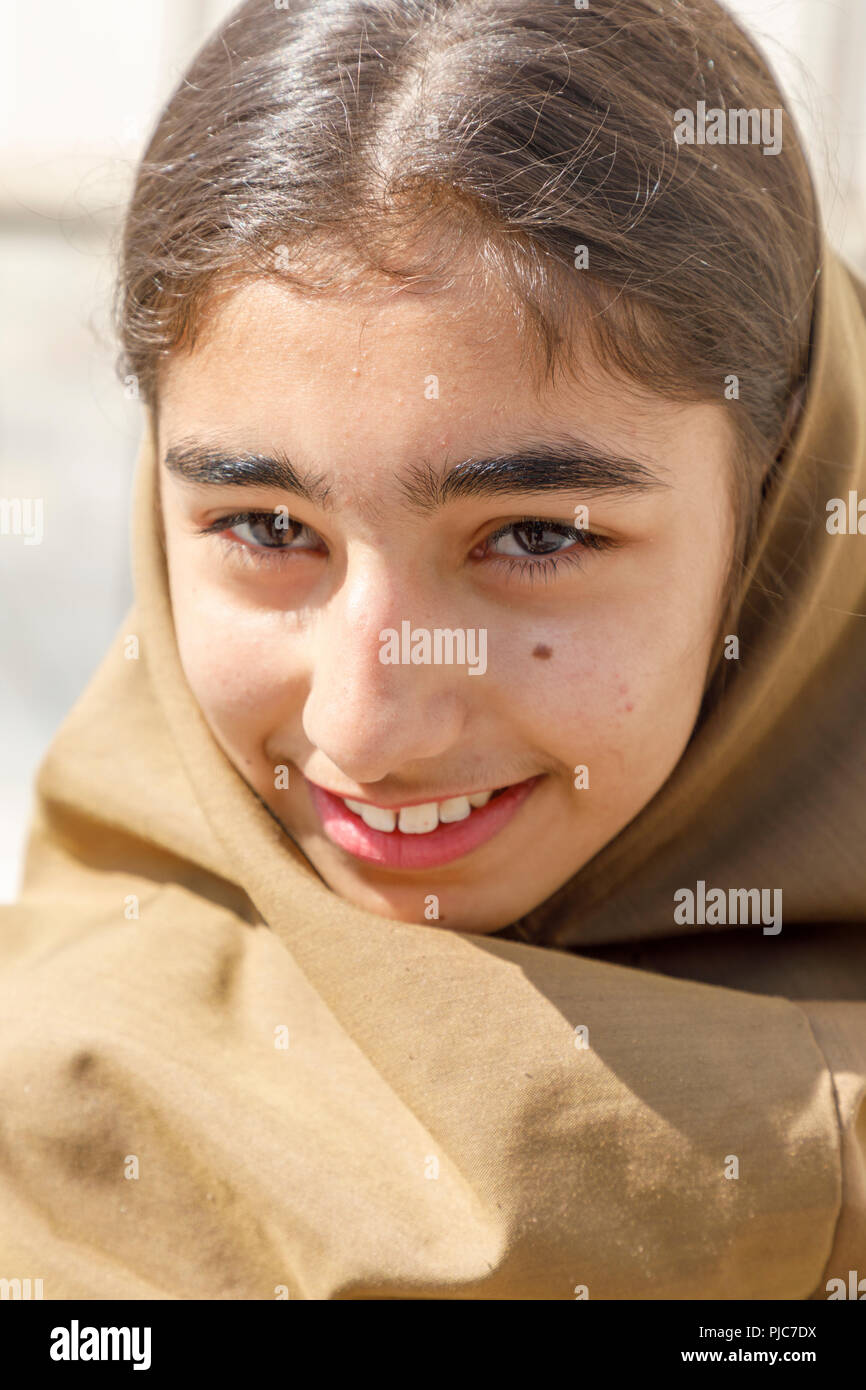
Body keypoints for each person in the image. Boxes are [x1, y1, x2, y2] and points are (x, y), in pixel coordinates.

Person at [0, 0, 863, 1299]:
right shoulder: (47, 1103)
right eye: (264, 525)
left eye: (530, 538)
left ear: (782, 507)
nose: (367, 728)